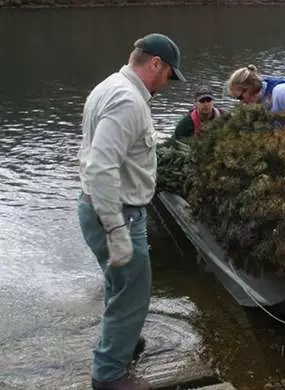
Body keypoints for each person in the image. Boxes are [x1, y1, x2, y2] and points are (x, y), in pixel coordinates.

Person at [77, 32, 185, 390]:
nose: (168, 83)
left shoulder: (109, 85)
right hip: (116, 213)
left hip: (97, 206)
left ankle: (123, 343)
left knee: (118, 285)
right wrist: (116, 230)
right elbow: (101, 166)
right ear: (156, 63)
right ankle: (109, 375)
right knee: (134, 294)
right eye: (169, 74)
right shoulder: (127, 100)